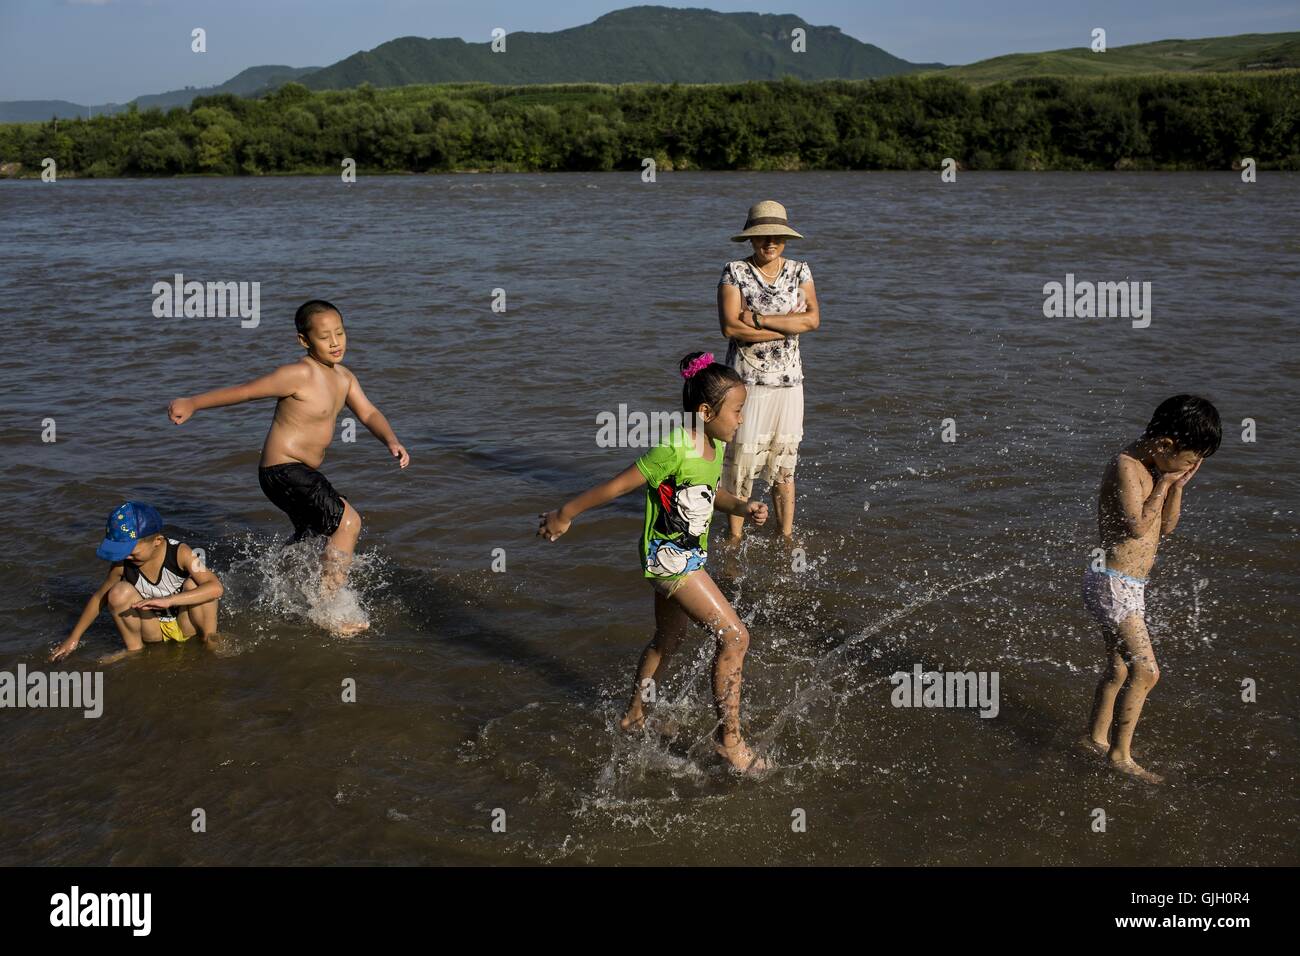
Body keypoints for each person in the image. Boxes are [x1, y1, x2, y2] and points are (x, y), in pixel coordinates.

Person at [538, 352, 772, 774]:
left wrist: (741, 504)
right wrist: (565, 513)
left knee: (668, 640)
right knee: (735, 638)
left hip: (687, 555)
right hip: (670, 561)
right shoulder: (674, 446)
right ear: (706, 411)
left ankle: (633, 716)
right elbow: (617, 485)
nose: (741, 421)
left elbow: (705, 492)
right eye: (737, 411)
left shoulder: (713, 444)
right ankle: (729, 742)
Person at [166, 299, 409, 633]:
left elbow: (368, 413)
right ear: (304, 341)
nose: (335, 342)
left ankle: (271, 583)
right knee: (348, 522)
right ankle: (329, 610)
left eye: (340, 333)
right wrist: (193, 403)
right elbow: (246, 392)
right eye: (325, 337)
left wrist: (391, 440)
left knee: (314, 537)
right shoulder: (296, 375)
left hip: (298, 474)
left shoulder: (345, 379)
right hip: (283, 469)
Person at [1083, 394, 1222, 783]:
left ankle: (1094, 738)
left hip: (1128, 585)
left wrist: (1175, 487)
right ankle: (1119, 756)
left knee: (1119, 667)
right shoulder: (1128, 466)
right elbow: (1137, 527)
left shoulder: (1157, 465)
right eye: (1190, 461)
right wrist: (1162, 483)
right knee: (1146, 671)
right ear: (1165, 446)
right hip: (1111, 583)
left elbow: (1168, 527)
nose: (1191, 469)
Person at [716, 200, 820, 543]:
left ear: (785, 238)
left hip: (790, 383)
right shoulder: (734, 272)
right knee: (740, 464)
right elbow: (731, 328)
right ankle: (734, 540)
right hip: (745, 383)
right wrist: (790, 325)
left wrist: (759, 320)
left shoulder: (800, 271)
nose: (769, 242)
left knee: (784, 467)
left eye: (776, 236)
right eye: (762, 236)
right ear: (751, 239)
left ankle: (785, 536)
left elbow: (813, 320)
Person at [50, 502, 222, 663]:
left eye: (130, 552)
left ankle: (210, 638)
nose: (125, 557)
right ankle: (134, 649)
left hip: (188, 624)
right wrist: (73, 638)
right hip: (153, 629)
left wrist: (168, 601)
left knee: (195, 584)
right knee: (117, 593)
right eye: (120, 552)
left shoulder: (182, 553)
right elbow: (98, 598)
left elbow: (215, 587)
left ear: (157, 541)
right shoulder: (121, 564)